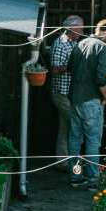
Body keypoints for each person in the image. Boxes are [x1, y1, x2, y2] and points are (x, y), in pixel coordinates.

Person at [67, 19, 106, 188]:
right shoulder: (104, 48)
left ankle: (75, 176)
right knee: (93, 140)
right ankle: (92, 179)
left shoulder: (80, 44)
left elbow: (70, 67)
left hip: (75, 98)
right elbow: (101, 77)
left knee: (74, 140)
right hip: (92, 99)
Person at [46, 16, 80, 161]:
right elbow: (54, 69)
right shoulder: (60, 43)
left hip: (70, 93)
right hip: (61, 92)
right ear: (71, 28)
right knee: (75, 123)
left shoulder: (74, 43)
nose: (82, 31)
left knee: (65, 127)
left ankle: (62, 161)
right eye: (80, 28)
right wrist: (72, 66)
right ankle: (73, 160)